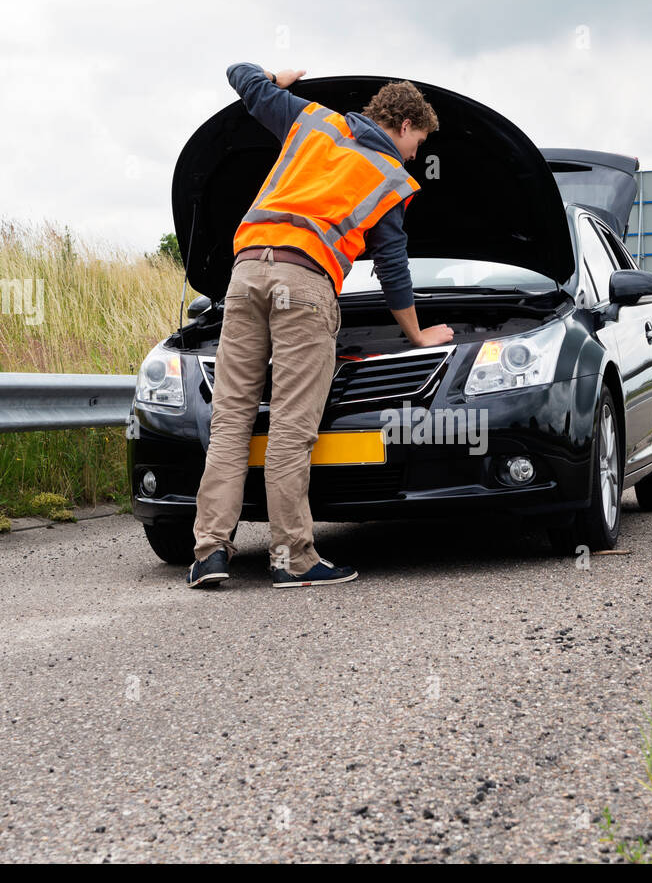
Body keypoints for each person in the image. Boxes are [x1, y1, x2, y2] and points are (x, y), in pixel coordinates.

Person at [187, 64, 454, 590]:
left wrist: (272, 77)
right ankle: (293, 558)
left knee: (232, 419)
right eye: (418, 143)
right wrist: (419, 335)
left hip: (244, 278)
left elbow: (239, 76)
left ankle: (209, 554)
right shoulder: (389, 177)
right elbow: (393, 269)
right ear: (402, 125)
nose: (415, 156)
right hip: (304, 284)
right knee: (290, 426)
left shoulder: (312, 120)